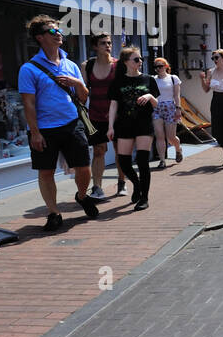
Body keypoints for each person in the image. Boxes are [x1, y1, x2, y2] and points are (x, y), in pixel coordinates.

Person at [18, 15, 98, 231]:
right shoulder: (29, 69)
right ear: (40, 37)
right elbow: (29, 104)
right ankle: (53, 212)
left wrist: (77, 83)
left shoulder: (70, 64)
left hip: (72, 123)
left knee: (84, 168)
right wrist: (35, 133)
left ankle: (82, 196)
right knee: (46, 172)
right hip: (44, 129)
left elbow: (83, 97)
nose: (59, 34)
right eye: (53, 31)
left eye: (59, 31)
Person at [107, 46, 161, 210]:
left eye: (141, 59)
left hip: (144, 123)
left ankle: (144, 197)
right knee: (123, 162)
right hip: (124, 124)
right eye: (136, 59)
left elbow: (156, 104)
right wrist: (110, 127)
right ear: (126, 62)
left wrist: (149, 95)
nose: (140, 62)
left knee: (143, 161)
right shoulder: (118, 81)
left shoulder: (148, 79)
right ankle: (136, 184)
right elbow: (113, 105)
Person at [82, 34, 116, 199]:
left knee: (120, 150)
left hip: (116, 115)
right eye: (103, 43)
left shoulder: (119, 65)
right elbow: (82, 92)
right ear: (95, 46)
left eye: (109, 43)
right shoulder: (87, 66)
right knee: (98, 150)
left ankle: (122, 183)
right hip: (95, 114)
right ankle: (97, 187)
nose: (108, 46)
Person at [152, 57, 183, 168]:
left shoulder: (173, 78)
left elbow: (177, 95)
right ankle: (162, 160)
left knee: (171, 137)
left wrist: (178, 108)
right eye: (156, 67)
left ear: (166, 66)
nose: (158, 69)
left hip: (170, 107)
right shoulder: (153, 79)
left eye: (160, 66)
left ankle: (178, 149)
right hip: (157, 107)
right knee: (159, 135)